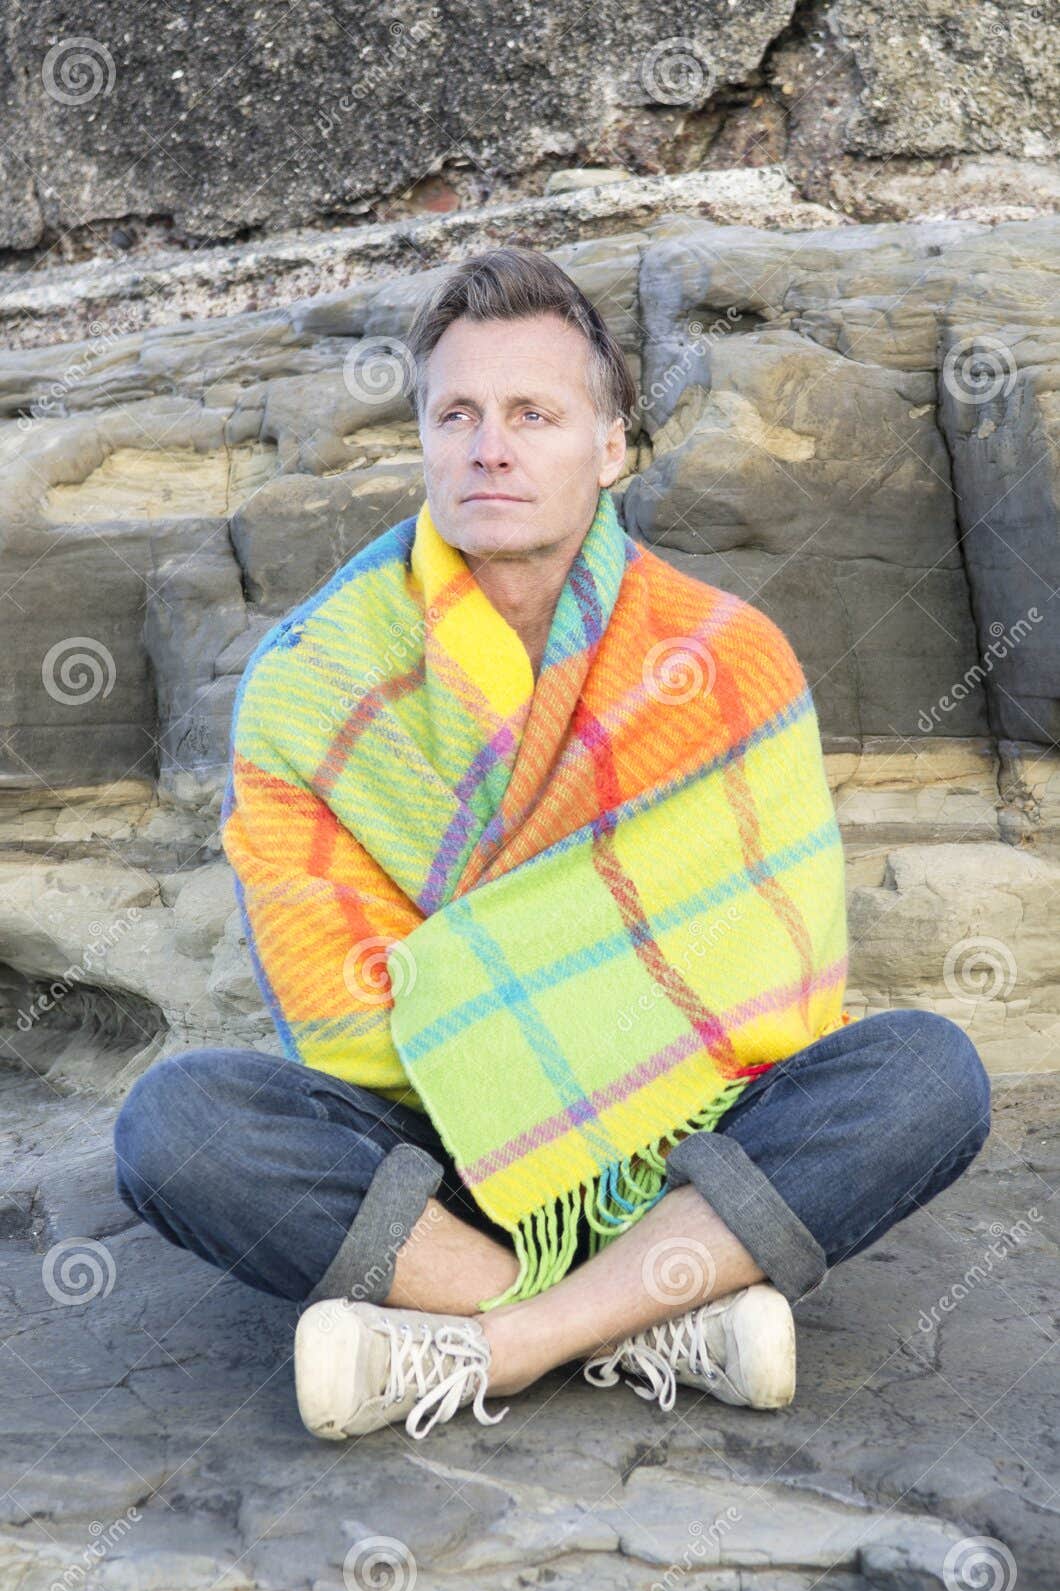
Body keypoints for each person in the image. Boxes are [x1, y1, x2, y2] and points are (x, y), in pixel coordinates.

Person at [113, 248, 991, 1443]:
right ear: (421, 438)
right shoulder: (311, 681)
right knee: (180, 1124)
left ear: (612, 443)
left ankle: (490, 1343)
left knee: (925, 1074)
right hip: (447, 1130)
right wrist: (531, 1027)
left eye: (534, 413)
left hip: (684, 1118)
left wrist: (534, 1003)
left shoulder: (726, 657)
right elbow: (342, 1010)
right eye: (456, 413)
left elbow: (777, 985)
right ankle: (653, 1319)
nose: (491, 446)